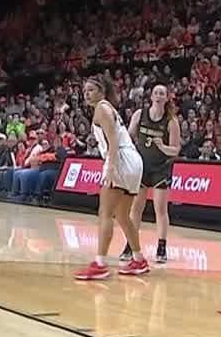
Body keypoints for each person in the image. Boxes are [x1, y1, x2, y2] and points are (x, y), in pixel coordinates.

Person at [73, 74, 148, 280]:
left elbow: (113, 141)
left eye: (91, 90)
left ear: (102, 91)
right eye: (85, 90)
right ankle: (139, 259)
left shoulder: (101, 108)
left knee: (105, 213)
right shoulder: (109, 108)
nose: (86, 94)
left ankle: (99, 264)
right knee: (123, 216)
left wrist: (110, 168)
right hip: (133, 159)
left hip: (121, 158)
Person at [127, 85, 181, 264]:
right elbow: (128, 137)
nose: (158, 96)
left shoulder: (171, 121)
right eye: (156, 93)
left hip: (160, 168)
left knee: (160, 209)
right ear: (151, 96)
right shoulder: (139, 115)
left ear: (167, 98)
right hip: (141, 167)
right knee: (136, 208)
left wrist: (162, 146)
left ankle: (162, 247)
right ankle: (131, 245)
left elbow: (175, 150)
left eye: (162, 94)